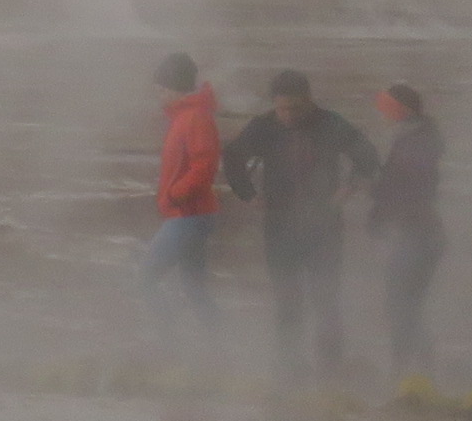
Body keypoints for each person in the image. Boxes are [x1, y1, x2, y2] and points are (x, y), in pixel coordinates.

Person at [218, 69, 376, 375]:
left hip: (324, 226)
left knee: (326, 298)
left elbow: (367, 156)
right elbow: (233, 157)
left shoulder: (331, 124)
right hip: (280, 225)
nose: (288, 116)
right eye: (282, 109)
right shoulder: (264, 127)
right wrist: (248, 194)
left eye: (295, 108)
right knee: (287, 298)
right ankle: (290, 366)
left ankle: (330, 367)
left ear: (309, 100)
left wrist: (348, 188)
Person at [139, 54, 222, 332]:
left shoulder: (195, 117)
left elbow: (205, 166)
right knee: (195, 287)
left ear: (176, 88)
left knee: (145, 277)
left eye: (161, 90)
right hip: (190, 214)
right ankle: (217, 345)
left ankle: (170, 341)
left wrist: (175, 195)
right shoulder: (185, 117)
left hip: (188, 215)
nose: (159, 97)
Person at [371, 83, 444, 376]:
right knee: (405, 304)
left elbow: (407, 188)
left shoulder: (416, 143)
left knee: (402, 304)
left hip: (418, 234)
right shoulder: (414, 138)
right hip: (418, 232)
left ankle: (406, 368)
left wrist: (381, 203)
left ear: (401, 111)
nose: (384, 117)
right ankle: (416, 366)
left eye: (387, 110)